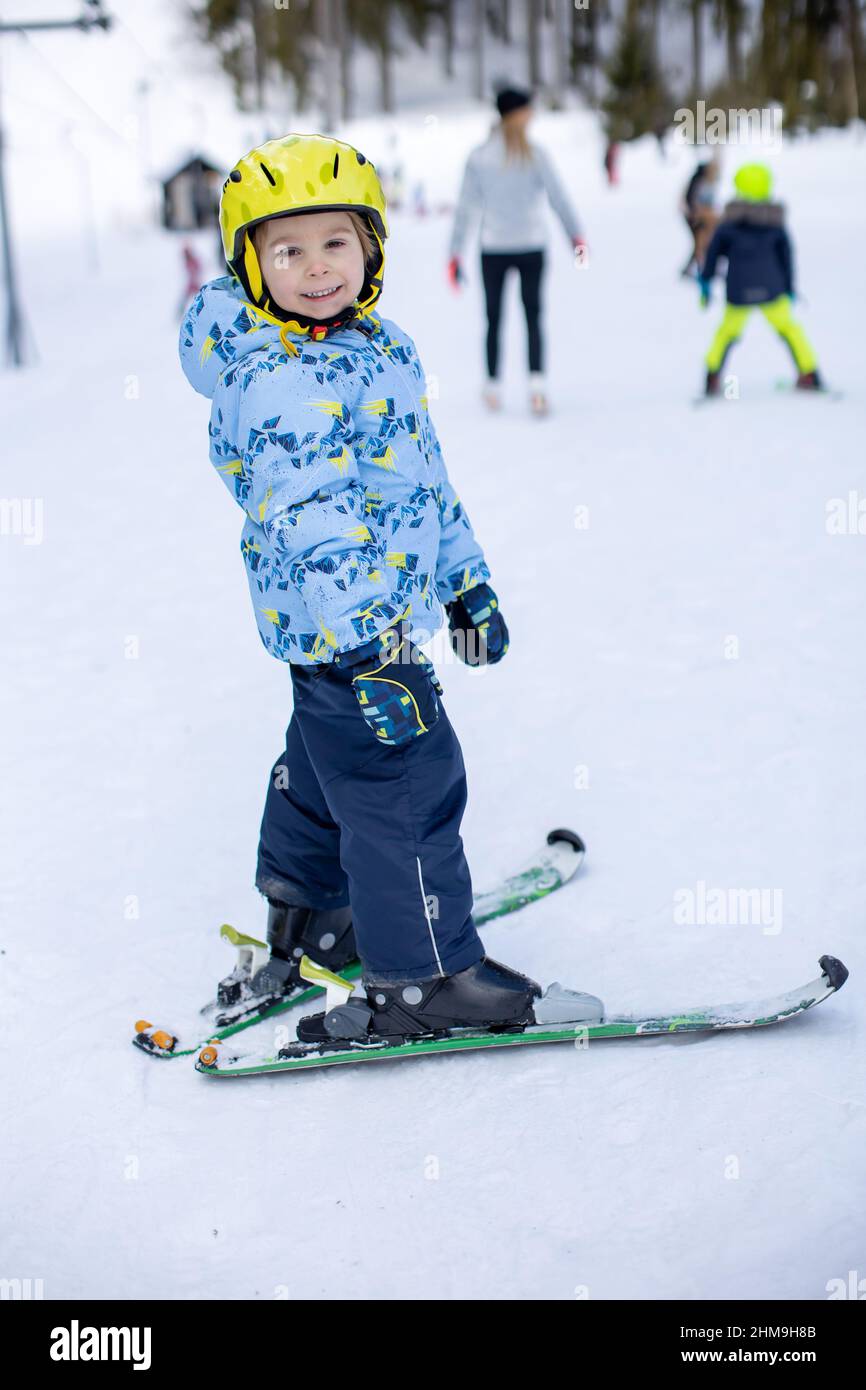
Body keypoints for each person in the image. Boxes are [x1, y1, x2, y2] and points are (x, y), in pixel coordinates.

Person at [178, 134, 600, 1046]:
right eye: (286, 250)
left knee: (326, 774)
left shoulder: (376, 349)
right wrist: (373, 643)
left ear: (371, 246)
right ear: (251, 265)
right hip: (354, 632)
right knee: (407, 782)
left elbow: (423, 479)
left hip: (352, 629)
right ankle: (423, 977)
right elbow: (311, 516)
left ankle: (315, 916)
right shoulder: (276, 375)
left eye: (336, 241)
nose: (316, 268)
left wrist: (465, 583)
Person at [448, 86, 586, 417]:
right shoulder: (532, 154)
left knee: (495, 318)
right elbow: (559, 198)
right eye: (528, 109)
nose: (533, 115)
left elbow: (466, 208)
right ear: (517, 114)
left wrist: (455, 253)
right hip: (528, 246)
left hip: (496, 247)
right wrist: (575, 237)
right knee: (532, 316)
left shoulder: (482, 155)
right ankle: (534, 387)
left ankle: (495, 386)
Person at [698, 162, 823, 396]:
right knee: (789, 329)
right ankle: (809, 373)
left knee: (726, 333)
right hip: (772, 289)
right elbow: (786, 258)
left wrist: (705, 282)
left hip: (738, 291)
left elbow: (713, 256)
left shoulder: (728, 225)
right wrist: (789, 287)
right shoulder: (775, 224)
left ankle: (712, 376)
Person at [680, 157, 720, 278]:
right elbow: (692, 202)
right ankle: (698, 269)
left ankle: (696, 268)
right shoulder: (700, 183)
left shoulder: (707, 182)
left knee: (702, 244)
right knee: (700, 244)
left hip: (702, 218)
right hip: (696, 218)